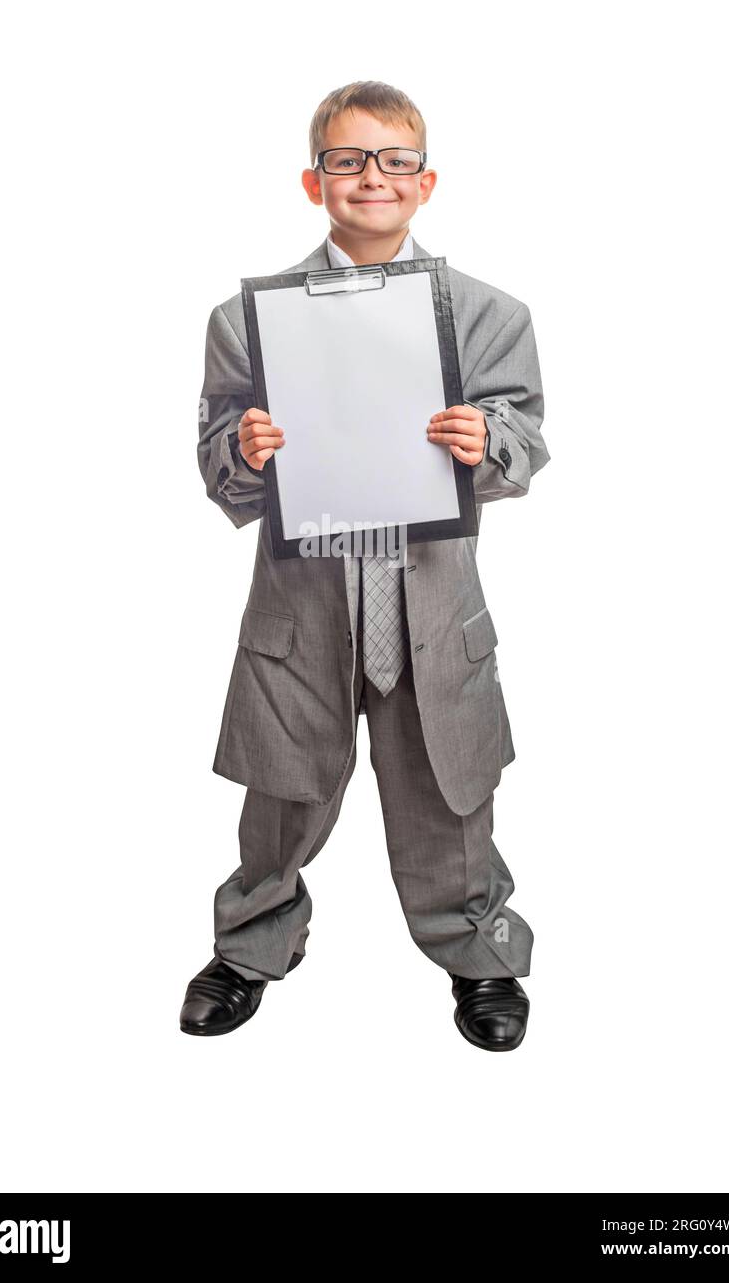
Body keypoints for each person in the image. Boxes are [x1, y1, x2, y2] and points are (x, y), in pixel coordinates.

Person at [179, 81, 550, 1051]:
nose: (369, 178)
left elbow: (526, 440)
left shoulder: (489, 314)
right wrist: (246, 452)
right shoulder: (245, 320)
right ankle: (253, 943)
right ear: (315, 181)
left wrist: (488, 438)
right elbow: (214, 454)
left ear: (425, 183)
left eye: (391, 161)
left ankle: (479, 953)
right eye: (347, 160)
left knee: (449, 792)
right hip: (303, 607)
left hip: (428, 602)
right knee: (283, 794)